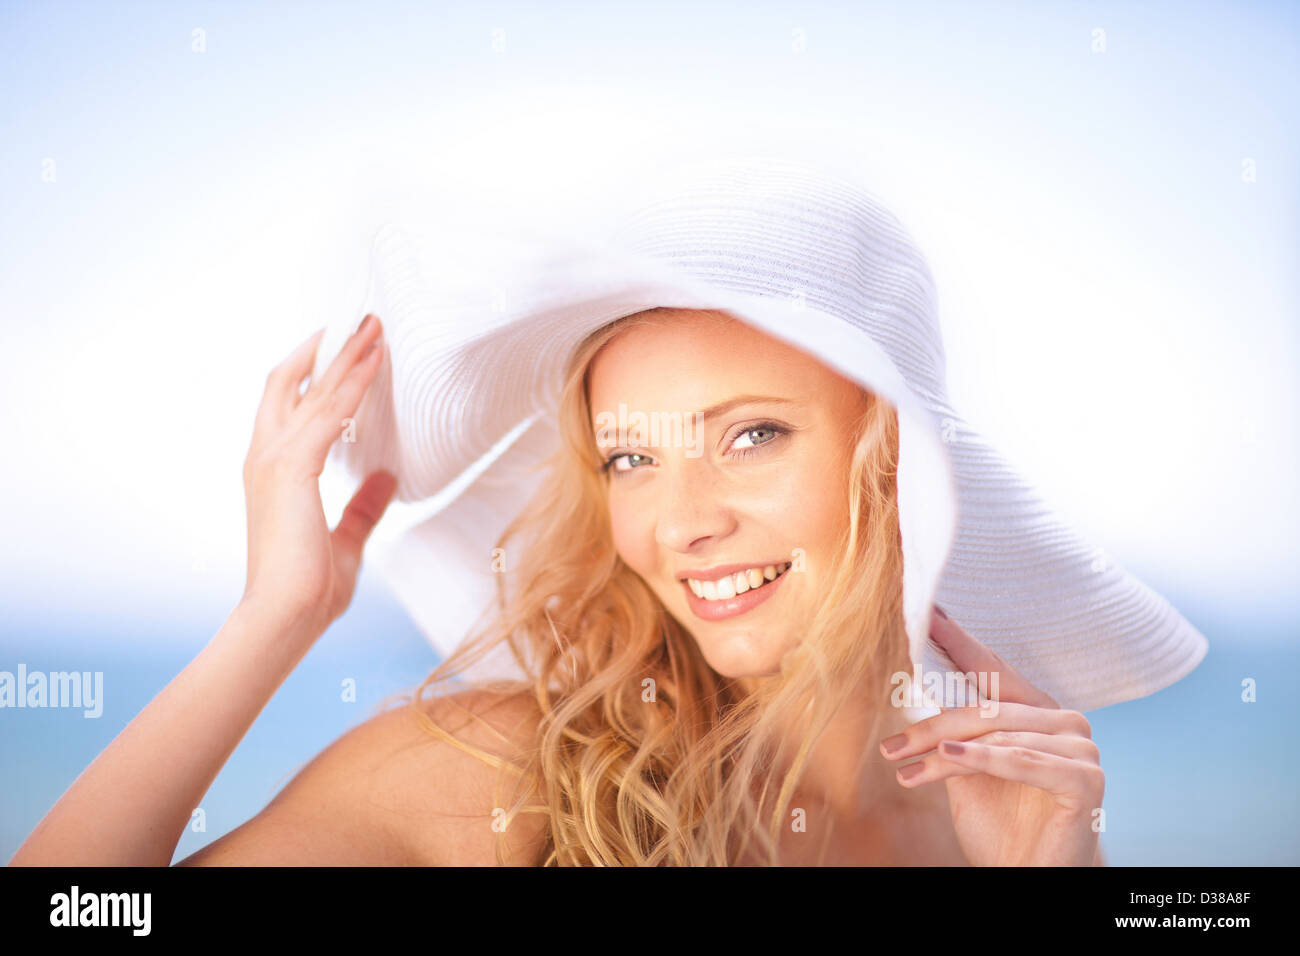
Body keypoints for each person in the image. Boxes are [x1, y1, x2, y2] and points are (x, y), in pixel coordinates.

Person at [10, 303, 1105, 867]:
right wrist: (273, 617)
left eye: (752, 435)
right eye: (631, 457)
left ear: (900, 461)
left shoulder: (998, 824)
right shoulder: (516, 774)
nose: (680, 522)